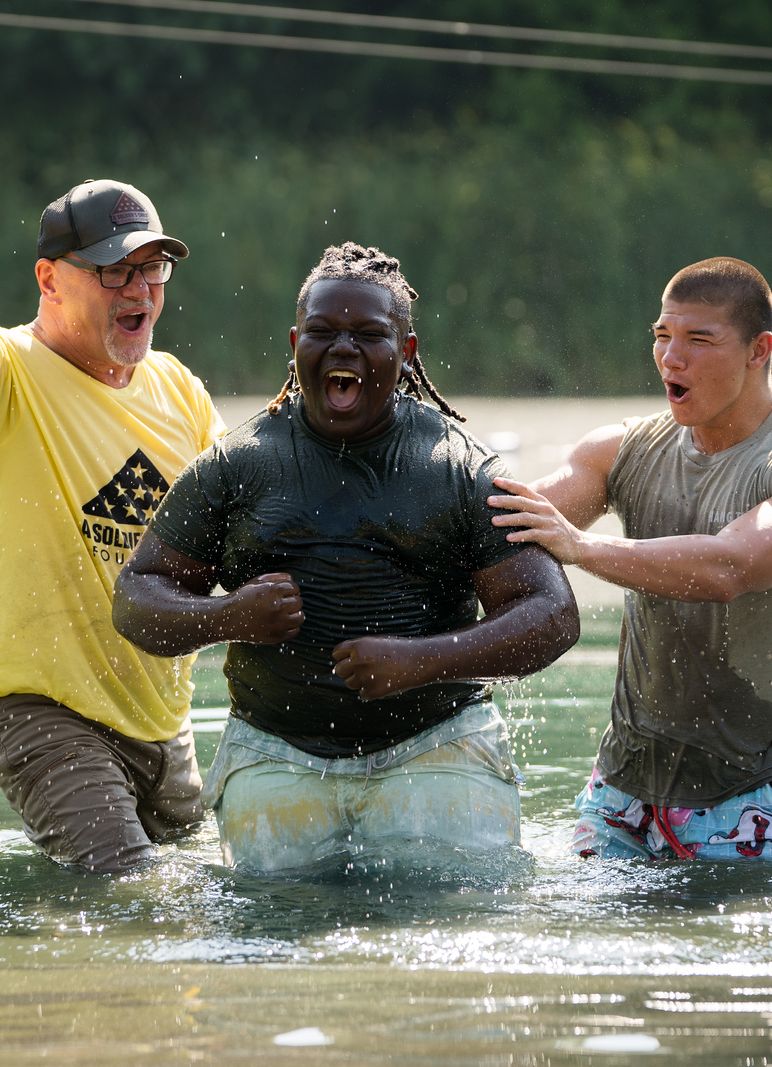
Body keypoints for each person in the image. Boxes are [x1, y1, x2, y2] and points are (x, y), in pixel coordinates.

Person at [112, 242, 579, 872]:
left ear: (406, 352)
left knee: (456, 919)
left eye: (368, 335)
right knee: (271, 930)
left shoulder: (460, 468)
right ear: (295, 342)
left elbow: (552, 613)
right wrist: (228, 617)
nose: (343, 349)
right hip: (275, 751)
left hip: (436, 746)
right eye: (323, 332)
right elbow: (135, 597)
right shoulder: (238, 463)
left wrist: (423, 661)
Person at [0, 97, 225, 872]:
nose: (139, 289)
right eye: (114, 269)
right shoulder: (3, 372)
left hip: (162, 722)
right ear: (49, 279)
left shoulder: (179, 391)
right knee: (135, 898)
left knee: (205, 896)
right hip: (42, 709)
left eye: (153, 267)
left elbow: (244, 526)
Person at [489, 257, 772, 861]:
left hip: (751, 795)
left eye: (697, 341)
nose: (670, 359)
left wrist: (580, 547)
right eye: (662, 336)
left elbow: (729, 567)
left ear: (758, 350)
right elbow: (506, 527)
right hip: (620, 791)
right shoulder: (621, 449)